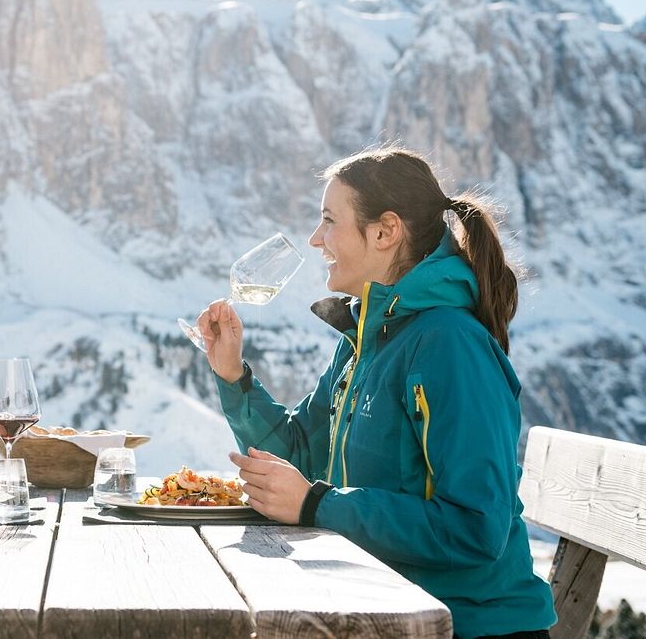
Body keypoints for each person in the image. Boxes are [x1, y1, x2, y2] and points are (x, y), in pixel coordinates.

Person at [197, 147, 556, 638]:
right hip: (386, 610)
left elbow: (477, 527)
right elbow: (300, 455)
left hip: (466, 625)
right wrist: (234, 376)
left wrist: (319, 505)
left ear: (385, 232)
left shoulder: (449, 344)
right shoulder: (366, 341)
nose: (314, 238)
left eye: (328, 221)